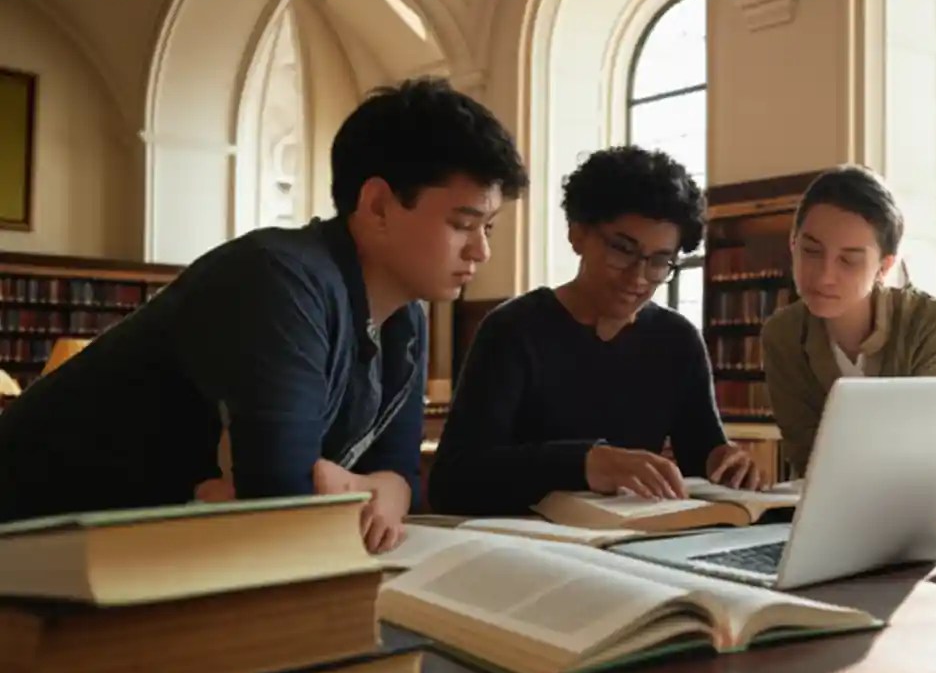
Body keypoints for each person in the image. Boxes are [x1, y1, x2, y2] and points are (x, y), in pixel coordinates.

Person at [0, 78, 528, 553]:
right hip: (36, 543)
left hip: (150, 550)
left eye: (490, 228)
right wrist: (336, 485)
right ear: (378, 206)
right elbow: (283, 497)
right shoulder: (280, 277)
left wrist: (362, 484)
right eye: (464, 223)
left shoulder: (405, 315)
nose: (480, 251)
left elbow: (399, 476)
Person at [428, 146, 765, 515]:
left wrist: (727, 462)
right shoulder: (512, 330)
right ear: (577, 234)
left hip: (634, 544)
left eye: (659, 261)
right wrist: (586, 463)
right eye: (622, 249)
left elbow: (702, 454)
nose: (638, 277)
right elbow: (454, 481)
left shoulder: (677, 340)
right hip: (524, 545)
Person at [762, 165, 936, 476]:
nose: (825, 276)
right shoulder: (783, 336)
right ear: (792, 244)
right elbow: (807, 458)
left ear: (884, 266)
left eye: (849, 260)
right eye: (811, 251)